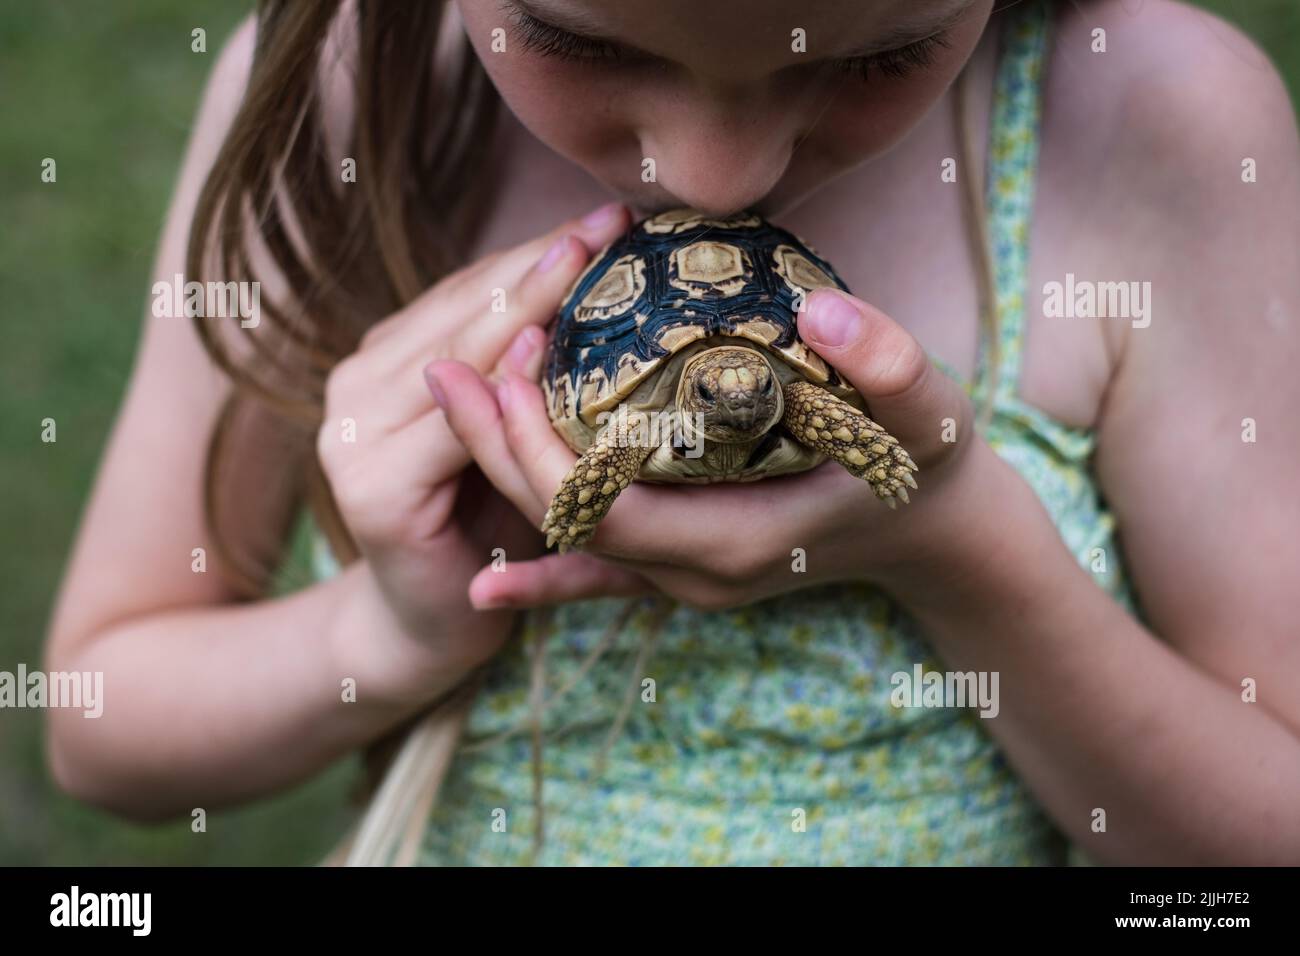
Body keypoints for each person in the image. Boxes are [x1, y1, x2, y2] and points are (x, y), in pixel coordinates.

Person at [46, 0, 1300, 865]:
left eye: (877, 55)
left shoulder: (1155, 125)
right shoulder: (345, 103)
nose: (716, 172)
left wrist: (960, 543)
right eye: (574, 38)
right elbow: (101, 725)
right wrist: (393, 626)